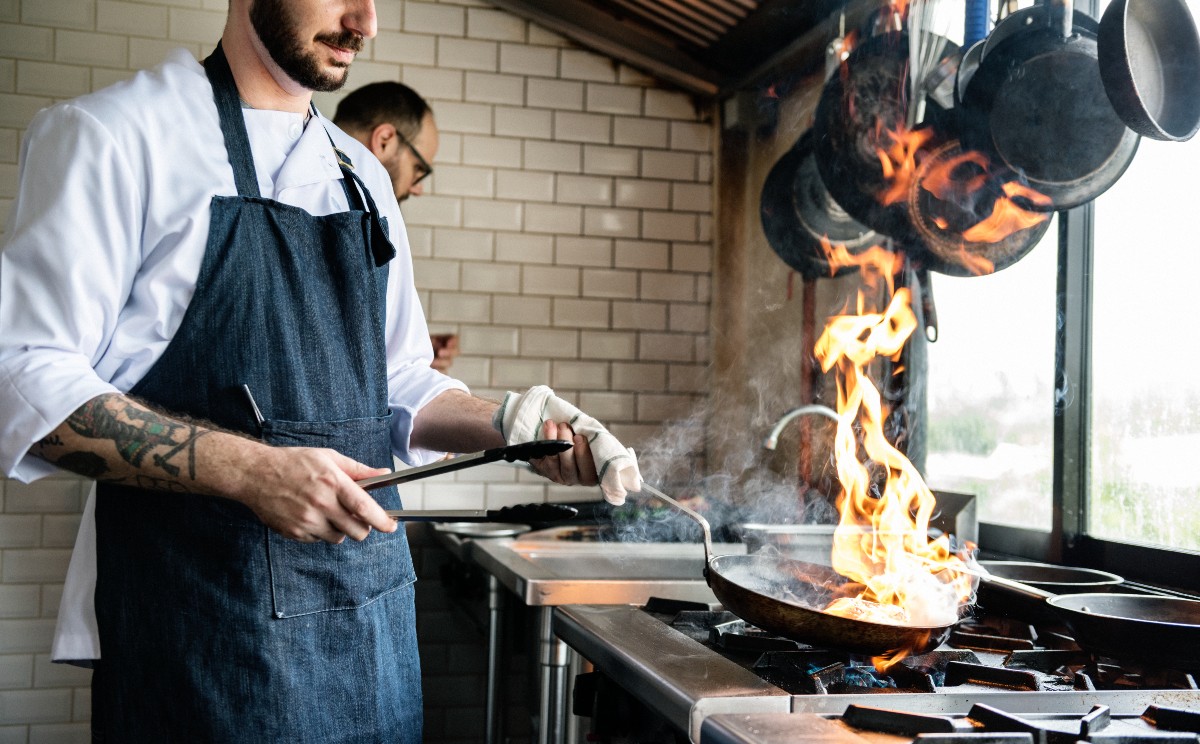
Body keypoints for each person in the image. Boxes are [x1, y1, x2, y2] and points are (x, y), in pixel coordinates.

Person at [0, 0, 640, 741]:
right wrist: (250, 472)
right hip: (203, 636)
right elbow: (23, 380)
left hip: (370, 632)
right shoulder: (115, 136)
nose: (365, 22)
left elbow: (396, 378)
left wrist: (508, 422)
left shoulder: (360, 175)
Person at [334, 81, 458, 372]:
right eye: (419, 169)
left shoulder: (370, 218)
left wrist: (405, 351)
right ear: (385, 140)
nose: (418, 189)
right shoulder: (341, 215)